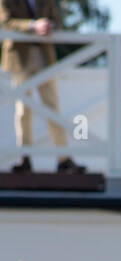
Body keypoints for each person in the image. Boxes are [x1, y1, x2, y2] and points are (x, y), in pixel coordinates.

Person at [0, 0, 81, 173]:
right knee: (23, 109)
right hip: (20, 59)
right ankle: (25, 158)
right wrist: (32, 26)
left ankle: (63, 159)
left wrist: (49, 26)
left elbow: (57, 21)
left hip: (44, 56)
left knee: (52, 107)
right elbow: (5, 21)